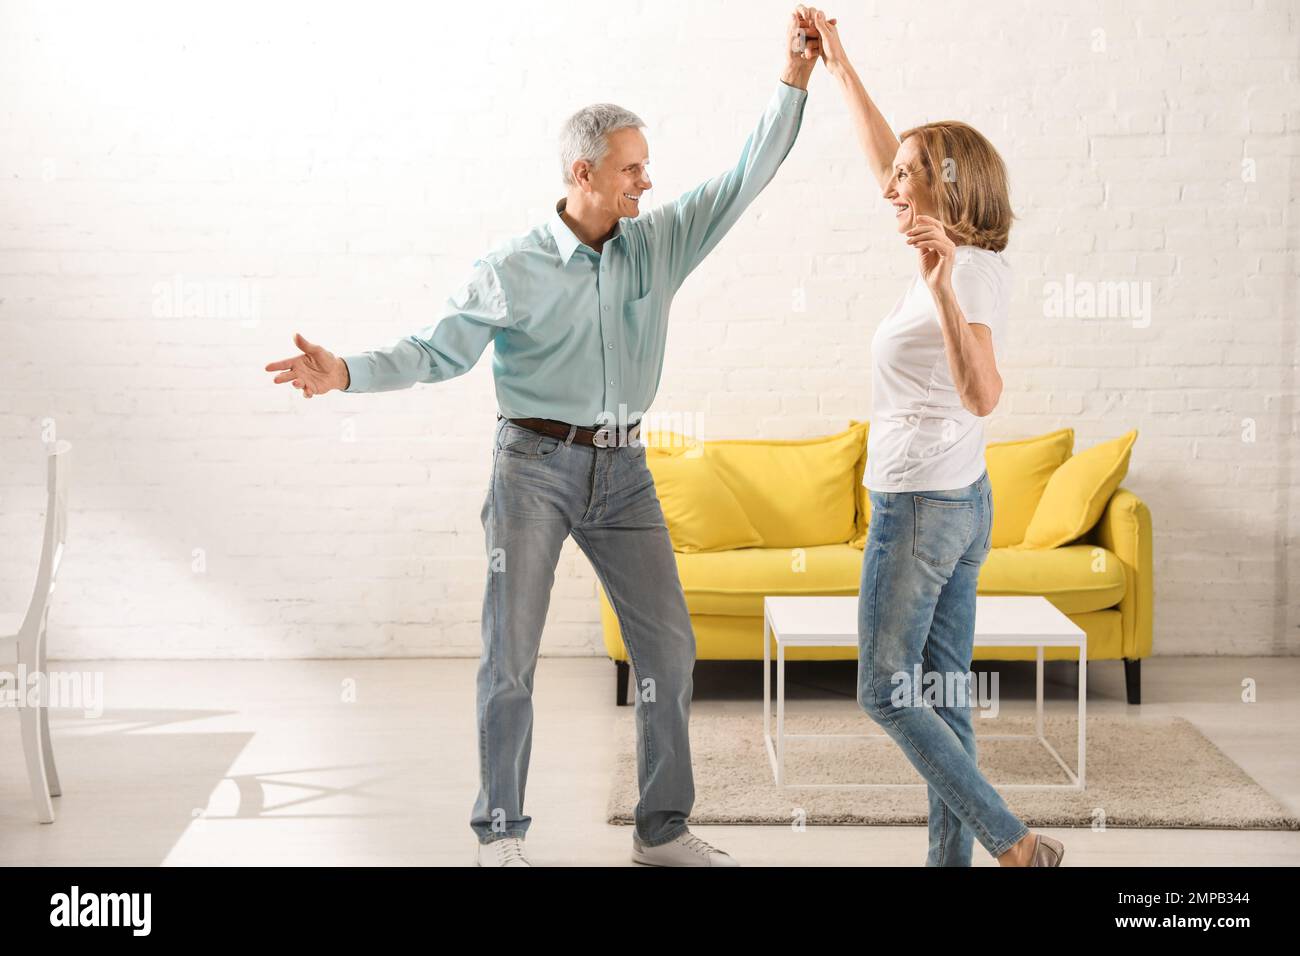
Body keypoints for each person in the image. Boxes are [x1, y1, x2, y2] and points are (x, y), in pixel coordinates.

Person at [264, 10, 823, 867]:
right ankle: (500, 835)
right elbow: (434, 350)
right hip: (531, 467)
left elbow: (745, 177)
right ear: (583, 171)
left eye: (645, 166)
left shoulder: (657, 242)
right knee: (511, 657)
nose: (647, 181)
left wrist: (794, 78)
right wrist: (345, 372)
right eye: (632, 168)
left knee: (670, 652)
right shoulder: (512, 266)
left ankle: (662, 831)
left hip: (625, 470)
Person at [808, 6, 1064, 866]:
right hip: (959, 502)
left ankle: (1012, 841)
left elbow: (984, 392)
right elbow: (884, 157)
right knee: (945, 698)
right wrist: (839, 65)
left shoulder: (970, 274)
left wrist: (945, 286)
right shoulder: (953, 252)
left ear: (945, 188)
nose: (891, 186)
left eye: (911, 175)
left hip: (920, 507)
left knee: (884, 692)